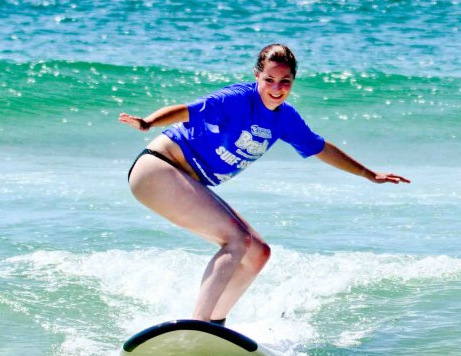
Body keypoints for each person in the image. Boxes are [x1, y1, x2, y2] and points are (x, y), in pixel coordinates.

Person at [118, 43, 410, 325]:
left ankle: (215, 325)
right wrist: (148, 122)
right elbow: (187, 110)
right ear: (257, 75)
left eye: (285, 81)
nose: (276, 88)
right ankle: (198, 324)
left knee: (258, 252)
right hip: (159, 168)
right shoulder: (237, 99)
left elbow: (321, 148)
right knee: (236, 241)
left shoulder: (285, 119)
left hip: (186, 179)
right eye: (269, 79)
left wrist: (369, 174)